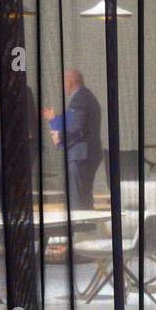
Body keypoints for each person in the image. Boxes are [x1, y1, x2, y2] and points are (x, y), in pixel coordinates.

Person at [42, 69, 103, 212]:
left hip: (81, 155)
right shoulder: (86, 97)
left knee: (77, 198)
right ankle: (86, 229)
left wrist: (60, 136)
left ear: (70, 83)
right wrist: (54, 119)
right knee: (83, 196)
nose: (64, 87)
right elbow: (73, 122)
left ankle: (79, 229)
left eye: (64, 82)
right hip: (86, 153)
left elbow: (77, 127)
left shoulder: (80, 98)